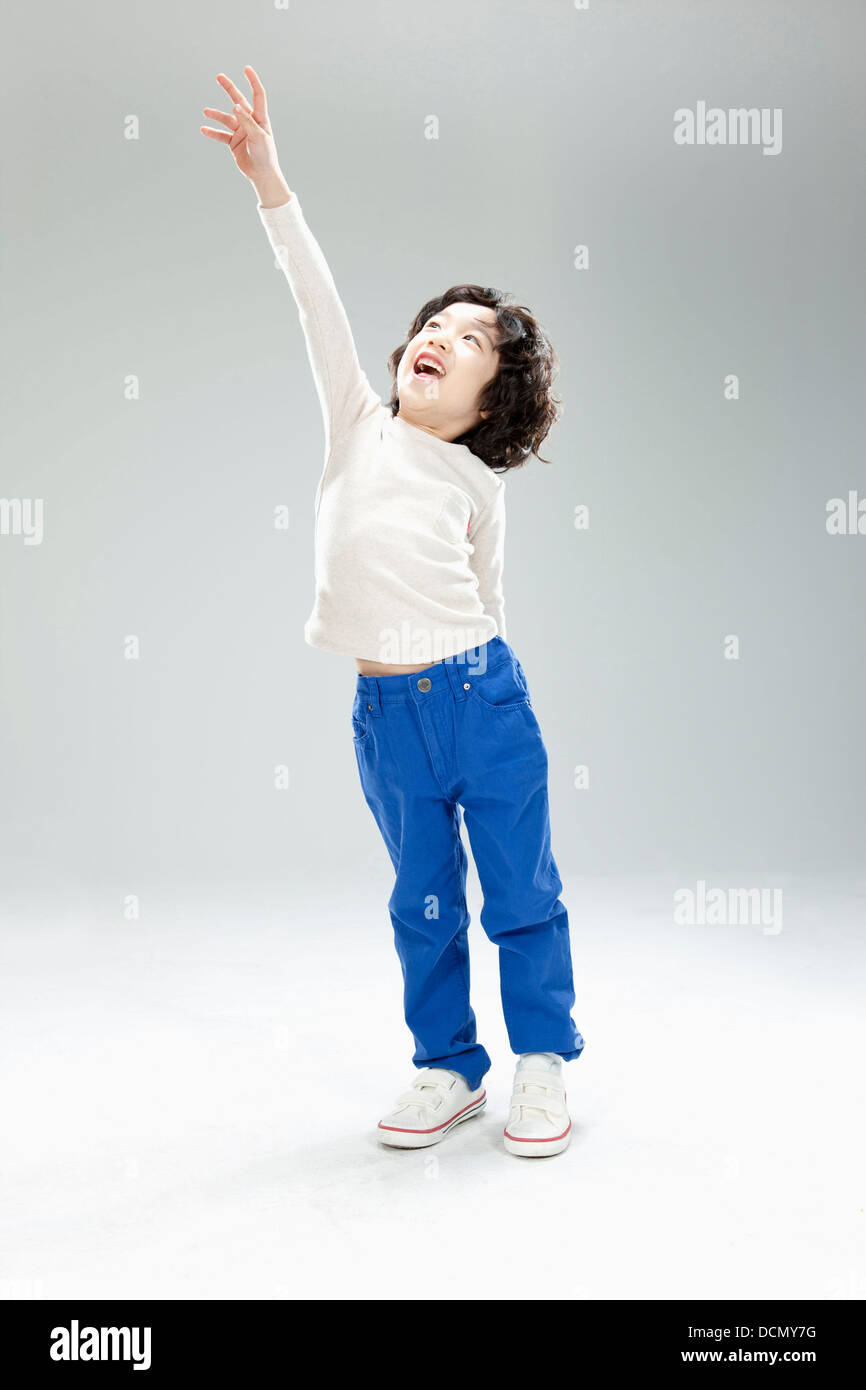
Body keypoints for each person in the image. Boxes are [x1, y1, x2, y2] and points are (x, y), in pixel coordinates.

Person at [201, 65, 586, 1158]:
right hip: (385, 716)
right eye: (435, 323)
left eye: (471, 341)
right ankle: (445, 1065)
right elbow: (310, 289)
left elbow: (489, 597)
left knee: (519, 889)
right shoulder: (355, 423)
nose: (442, 335)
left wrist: (491, 690)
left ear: (487, 404)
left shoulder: (478, 485)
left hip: (483, 697)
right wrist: (269, 177)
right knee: (420, 900)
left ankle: (543, 1059)